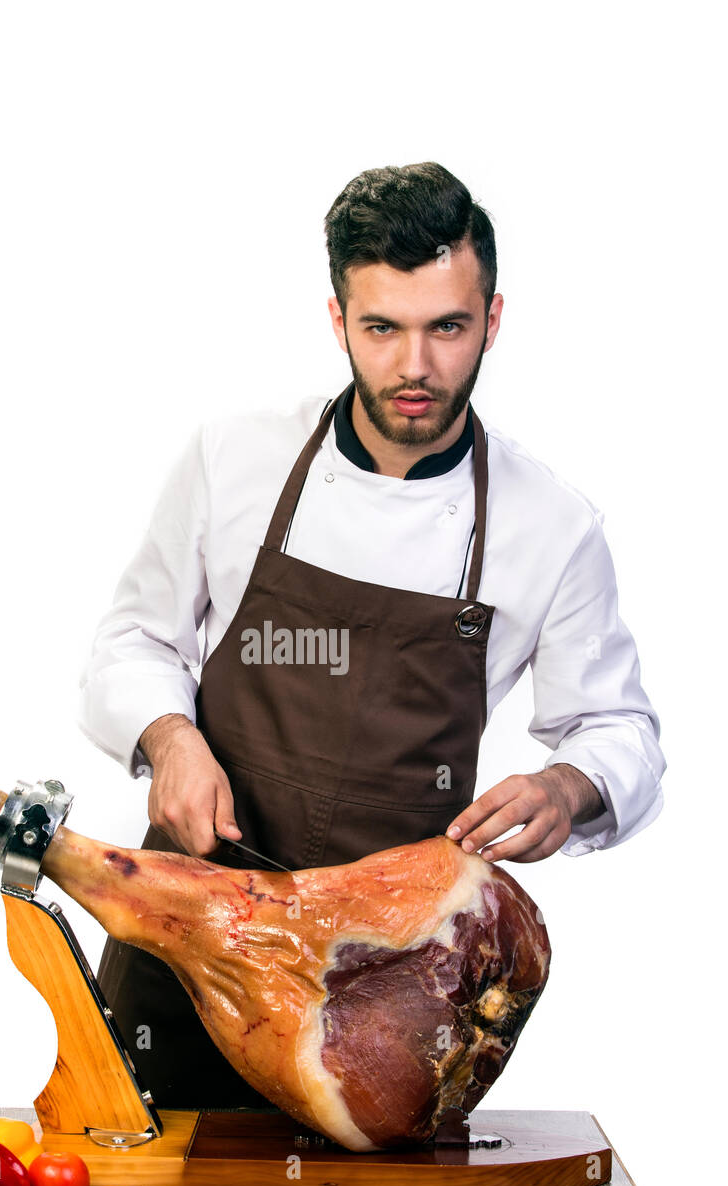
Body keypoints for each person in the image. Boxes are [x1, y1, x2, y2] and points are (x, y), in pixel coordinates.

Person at [78, 161, 665, 1110]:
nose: (415, 367)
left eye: (448, 327)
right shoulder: (235, 459)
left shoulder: (549, 526)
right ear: (338, 317)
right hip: (194, 947)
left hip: (390, 992)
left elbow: (621, 730)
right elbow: (131, 643)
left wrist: (569, 783)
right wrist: (170, 739)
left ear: (494, 319)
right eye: (382, 328)